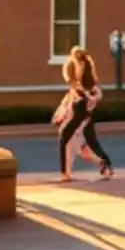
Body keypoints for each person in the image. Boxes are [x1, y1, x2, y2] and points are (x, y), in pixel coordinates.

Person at [52, 47, 114, 182]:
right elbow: (91, 95)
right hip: (84, 114)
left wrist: (85, 99)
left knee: (65, 137)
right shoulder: (88, 81)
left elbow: (81, 96)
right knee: (86, 142)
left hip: (80, 114)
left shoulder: (80, 85)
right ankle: (104, 164)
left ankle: (65, 173)